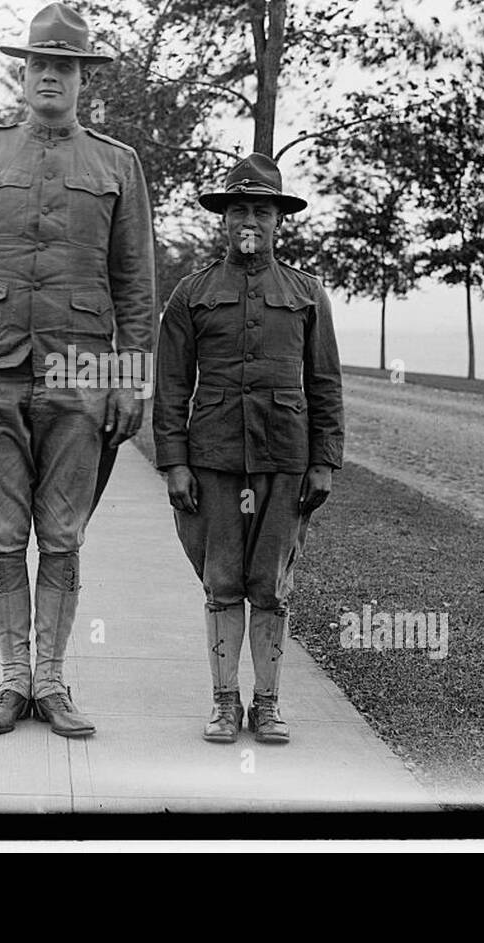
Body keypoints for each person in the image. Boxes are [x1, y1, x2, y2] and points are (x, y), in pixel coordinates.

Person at [0, 3, 156, 738]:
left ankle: (52, 681)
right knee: (0, 535)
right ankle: (13, 677)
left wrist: (131, 377)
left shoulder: (117, 164)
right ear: (23, 75)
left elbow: (136, 283)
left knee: (61, 534)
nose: (51, 75)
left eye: (66, 66)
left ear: (85, 78)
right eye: (39, 64)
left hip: (81, 370)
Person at [153, 153, 344, 744]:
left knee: (270, 584)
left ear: (278, 219)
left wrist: (323, 459)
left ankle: (268, 703)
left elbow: (326, 383)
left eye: (261, 210)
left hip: (285, 459)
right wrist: (174, 461)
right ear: (225, 217)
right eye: (239, 209)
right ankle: (222, 702)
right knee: (221, 582)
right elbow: (171, 385)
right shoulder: (192, 293)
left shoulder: (308, 295)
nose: (250, 220)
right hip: (212, 460)